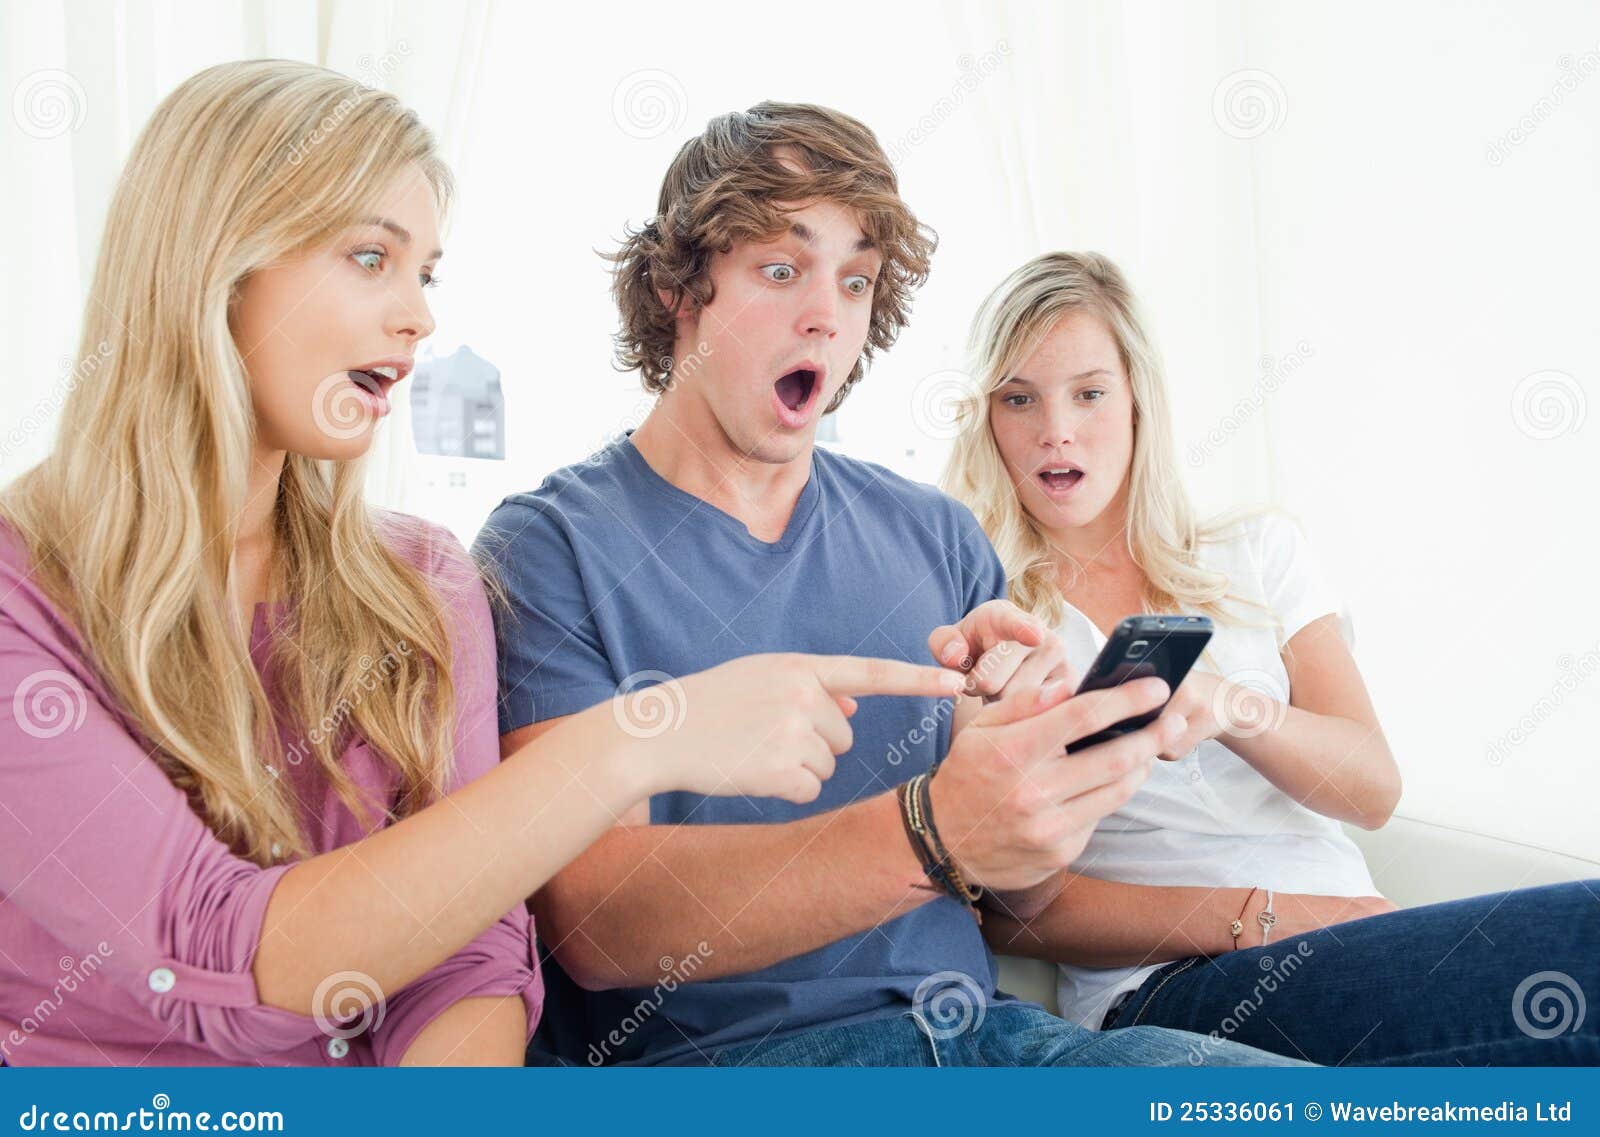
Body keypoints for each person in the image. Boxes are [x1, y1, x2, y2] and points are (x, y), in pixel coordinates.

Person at [0, 61, 957, 1067]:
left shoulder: (421, 582)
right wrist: (636, 741)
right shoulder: (26, 593)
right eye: (371, 257)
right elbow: (202, 948)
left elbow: (472, 963)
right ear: (212, 264)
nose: (418, 317)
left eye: (426, 272)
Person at [475, 104, 1305, 1067]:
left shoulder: (937, 535)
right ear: (679, 291)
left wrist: (1029, 779)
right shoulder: (549, 549)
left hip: (1000, 1047)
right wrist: (933, 828)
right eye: (780, 270)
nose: (827, 313)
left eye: (856, 279)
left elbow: (1022, 903)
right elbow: (601, 924)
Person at [943, 250, 1600, 1065]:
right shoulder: (994, 615)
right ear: (989, 418)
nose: (1056, 431)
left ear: (1140, 400)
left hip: (1356, 935)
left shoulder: (1255, 551)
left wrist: (1230, 708)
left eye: (1089, 392)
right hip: (1173, 983)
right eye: (1020, 399)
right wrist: (1270, 914)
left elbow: (1370, 788)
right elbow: (1018, 913)